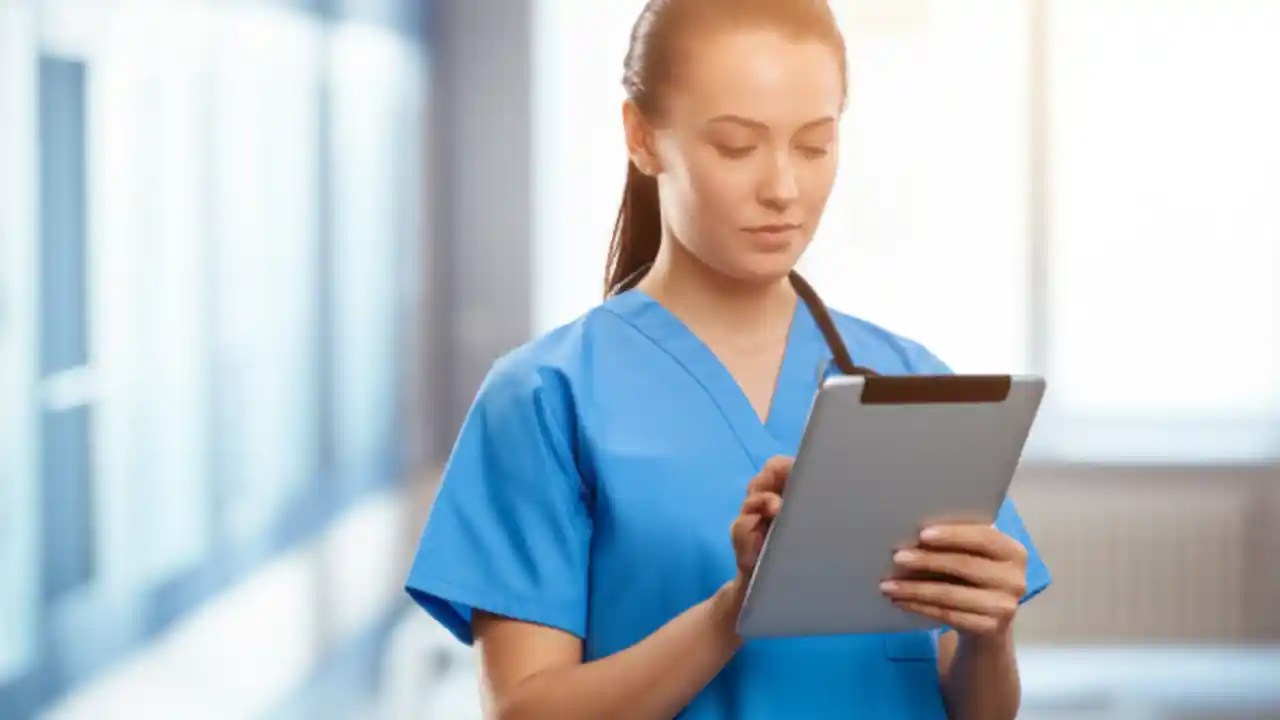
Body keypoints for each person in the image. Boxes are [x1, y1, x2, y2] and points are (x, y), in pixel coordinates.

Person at [405, 0, 1052, 717]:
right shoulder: (546, 397)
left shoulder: (913, 384)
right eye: (738, 147)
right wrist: (734, 612)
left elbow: (978, 710)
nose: (783, 188)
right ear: (643, 137)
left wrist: (991, 637)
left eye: (813, 146)